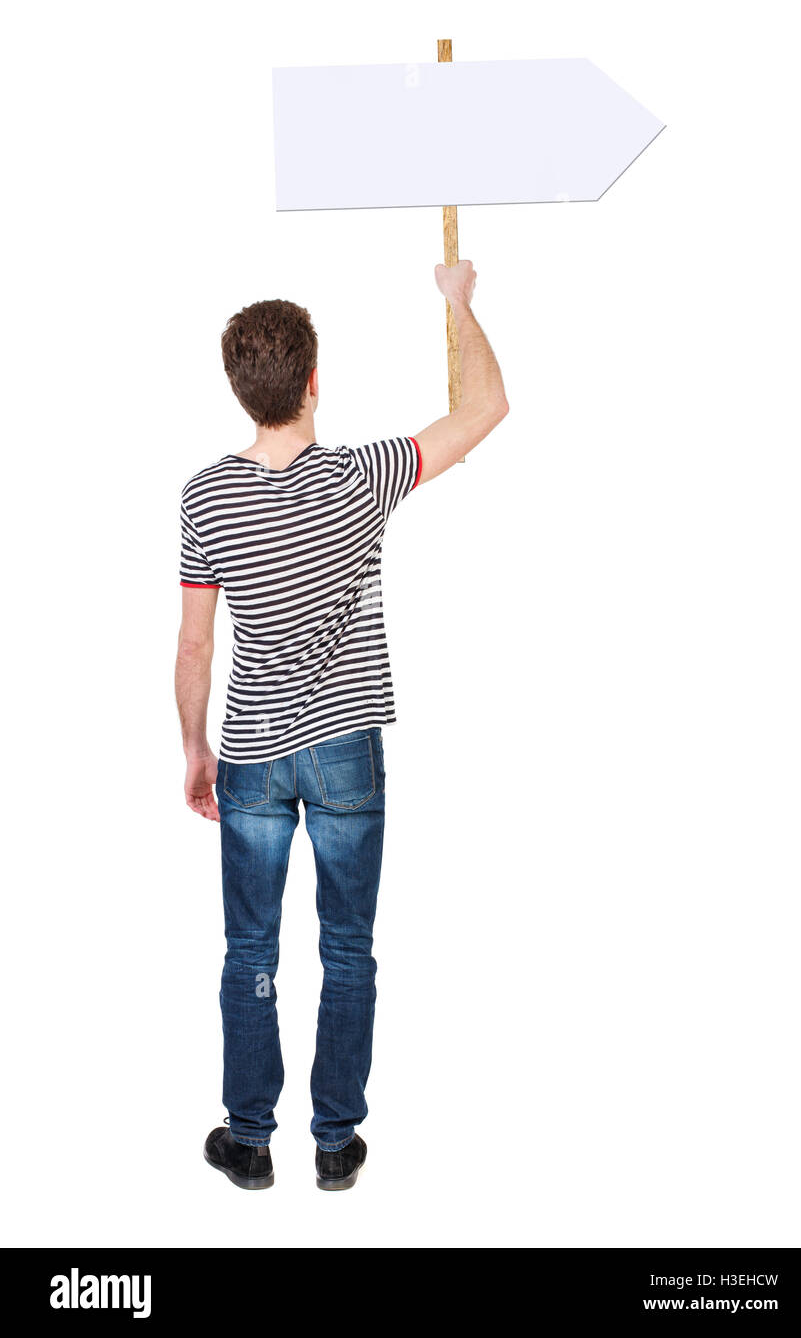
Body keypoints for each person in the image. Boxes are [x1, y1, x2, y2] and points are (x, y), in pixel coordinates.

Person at [175, 259, 508, 1191]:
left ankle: (248, 1141)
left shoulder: (205, 494)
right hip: (346, 752)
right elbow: (485, 410)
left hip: (251, 754)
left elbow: (196, 645)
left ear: (243, 390)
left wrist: (195, 747)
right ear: (316, 381)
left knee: (249, 950)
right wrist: (457, 304)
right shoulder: (365, 478)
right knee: (347, 947)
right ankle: (333, 1144)